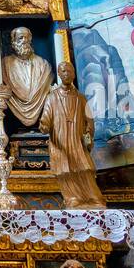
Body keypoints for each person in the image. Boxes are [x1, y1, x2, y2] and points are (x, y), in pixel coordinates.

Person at [39, 61, 106, 208]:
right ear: (59, 74)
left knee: (85, 168)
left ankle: (94, 198)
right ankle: (72, 198)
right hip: (60, 140)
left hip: (77, 140)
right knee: (65, 170)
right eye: (63, 71)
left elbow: (89, 120)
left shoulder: (81, 98)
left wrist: (88, 135)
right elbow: (46, 118)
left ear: (74, 74)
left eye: (69, 71)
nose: (66, 74)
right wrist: (44, 125)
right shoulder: (52, 97)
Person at [1, 26, 53, 128]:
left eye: (27, 37)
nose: (24, 40)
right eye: (20, 38)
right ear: (13, 42)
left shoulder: (43, 64)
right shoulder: (5, 64)